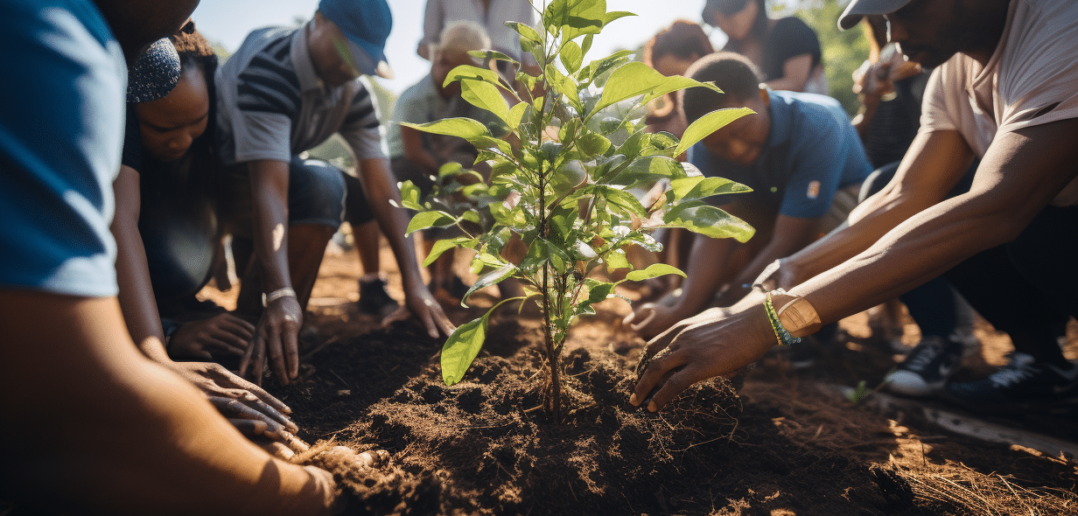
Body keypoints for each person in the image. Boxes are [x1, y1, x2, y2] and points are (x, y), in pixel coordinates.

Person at [0, 0, 362, 512]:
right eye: (162, 129)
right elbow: (77, 413)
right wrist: (325, 491)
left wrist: (275, 296)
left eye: (194, 125)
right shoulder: (50, 39)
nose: (181, 140)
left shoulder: (209, 102)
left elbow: (273, 189)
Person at [632, 0, 1078, 415]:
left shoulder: (1062, 32)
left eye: (908, 9)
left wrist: (771, 321)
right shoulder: (952, 74)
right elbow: (903, 196)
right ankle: (1043, 363)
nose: (894, 32)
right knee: (886, 183)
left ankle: (949, 336)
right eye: (884, 19)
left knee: (1030, 236)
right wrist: (780, 279)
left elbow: (997, 208)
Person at [216, 0, 455, 386]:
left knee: (331, 184)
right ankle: (254, 324)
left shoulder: (352, 91)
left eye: (361, 60)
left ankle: (281, 322)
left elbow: (382, 187)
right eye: (345, 52)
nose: (351, 68)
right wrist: (278, 292)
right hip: (220, 181)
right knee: (322, 183)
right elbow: (270, 191)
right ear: (318, 22)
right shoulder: (270, 68)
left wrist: (414, 283)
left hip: (273, 177)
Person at [624, 53, 872, 339]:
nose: (737, 150)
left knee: (817, 235)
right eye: (720, 145)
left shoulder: (817, 125)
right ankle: (704, 307)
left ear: (764, 97)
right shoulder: (705, 145)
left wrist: (720, 310)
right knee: (704, 222)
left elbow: (789, 240)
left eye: (742, 131)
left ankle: (811, 331)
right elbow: (714, 233)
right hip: (774, 203)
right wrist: (683, 310)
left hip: (843, 200)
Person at [388, 20, 502, 298]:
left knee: (471, 200)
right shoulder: (415, 98)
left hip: (448, 164)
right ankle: (437, 280)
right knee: (439, 200)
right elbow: (414, 151)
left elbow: (487, 143)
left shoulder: (471, 97)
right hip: (408, 165)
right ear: (440, 60)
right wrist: (453, 173)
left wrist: (476, 176)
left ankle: (449, 277)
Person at [702, 0, 826, 94]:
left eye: (728, 18)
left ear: (752, 4)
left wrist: (745, 94)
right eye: (718, 23)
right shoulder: (727, 52)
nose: (725, 26)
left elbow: (795, 83)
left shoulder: (791, 29)